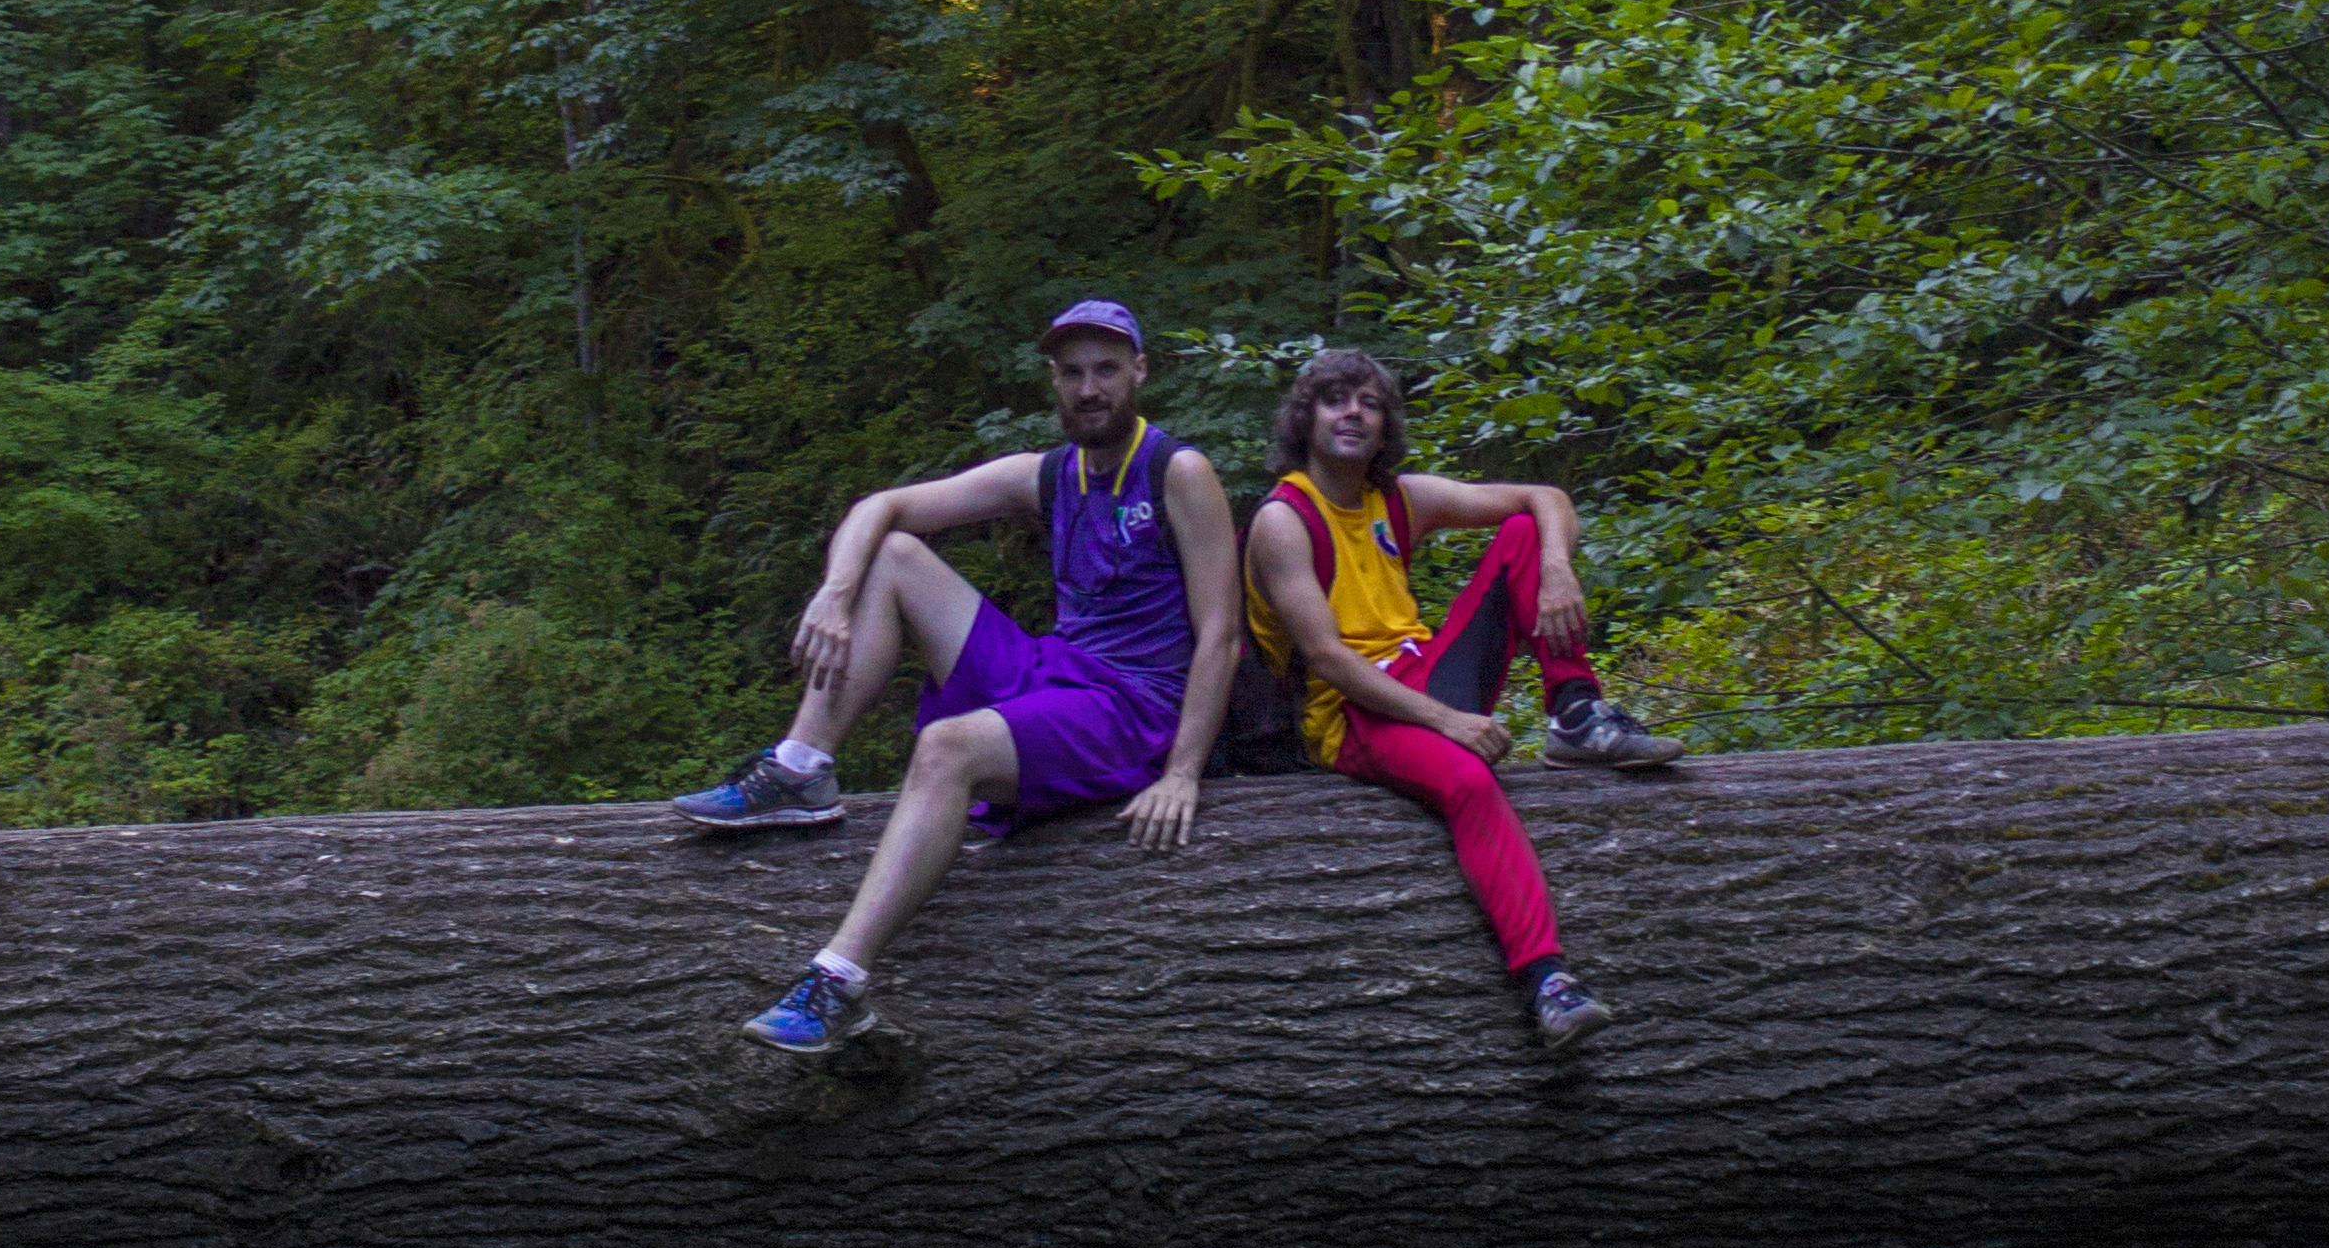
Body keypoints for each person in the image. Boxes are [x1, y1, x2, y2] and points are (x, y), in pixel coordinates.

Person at [678, 297, 1239, 1054]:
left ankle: (837, 980)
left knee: (947, 747)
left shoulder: (1178, 472)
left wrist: (1183, 774)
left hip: (1133, 708)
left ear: (1139, 371)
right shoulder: (1050, 475)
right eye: (1072, 373)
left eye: (1107, 369)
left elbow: (1222, 636)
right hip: (1060, 673)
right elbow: (883, 505)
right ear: (1053, 382)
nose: (1089, 388)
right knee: (895, 554)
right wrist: (836, 593)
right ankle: (801, 767)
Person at [1241, 346, 1677, 1052]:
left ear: (1386, 427)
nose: (1353, 413)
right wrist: (1449, 722)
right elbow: (1326, 657)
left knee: (1522, 531)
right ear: (1304, 418)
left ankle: (1575, 713)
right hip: (1351, 714)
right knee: (1469, 780)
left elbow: (1547, 499)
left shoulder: (1399, 499)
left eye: (1369, 402)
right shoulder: (1285, 519)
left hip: (1422, 674)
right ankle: (1546, 980)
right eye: (1334, 400)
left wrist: (1559, 571)